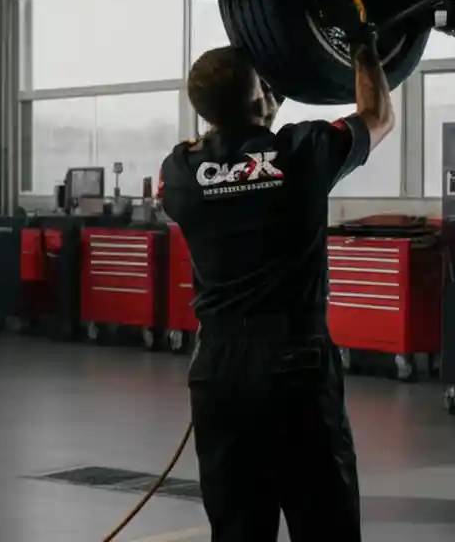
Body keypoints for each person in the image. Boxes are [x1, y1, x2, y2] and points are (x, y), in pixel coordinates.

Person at [159, 38, 395, 542]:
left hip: (219, 372)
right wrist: (363, 45)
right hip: (294, 366)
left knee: (238, 526)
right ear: (260, 100)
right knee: (325, 523)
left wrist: (257, 101)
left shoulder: (179, 173)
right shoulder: (302, 151)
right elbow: (376, 116)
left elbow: (237, 146)